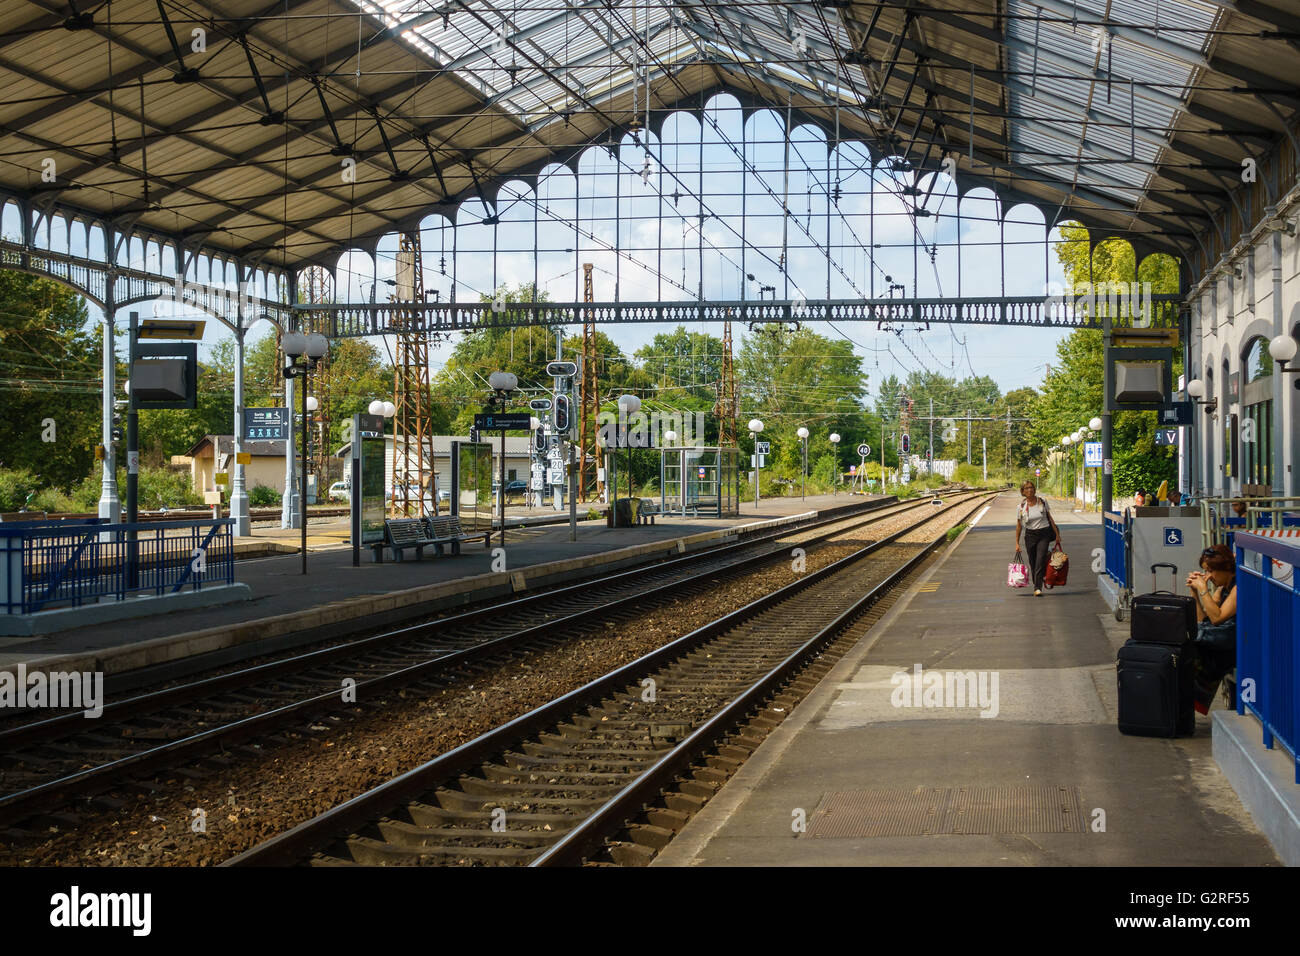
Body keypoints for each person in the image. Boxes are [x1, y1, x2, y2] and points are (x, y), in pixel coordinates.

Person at [1185, 543, 1238, 714]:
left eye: (1211, 571)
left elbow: (1217, 618)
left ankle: (1189, 699)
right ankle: (1185, 699)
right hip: (1224, 640)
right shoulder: (1222, 589)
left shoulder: (1238, 588)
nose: (1209, 576)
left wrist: (1203, 589)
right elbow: (1203, 620)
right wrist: (1195, 593)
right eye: (1205, 571)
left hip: (1237, 643)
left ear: (1226, 568)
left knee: (1195, 649)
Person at [1014, 480, 1062, 597]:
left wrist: (1057, 535)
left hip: (1044, 534)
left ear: (1034, 489)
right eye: (1027, 488)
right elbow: (1019, 526)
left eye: (1031, 487)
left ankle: (1037, 587)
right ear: (1023, 492)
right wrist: (1017, 543)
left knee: (1040, 559)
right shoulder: (1020, 507)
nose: (1030, 490)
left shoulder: (1042, 502)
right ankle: (1037, 582)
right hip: (1030, 535)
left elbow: (1050, 518)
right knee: (1033, 561)